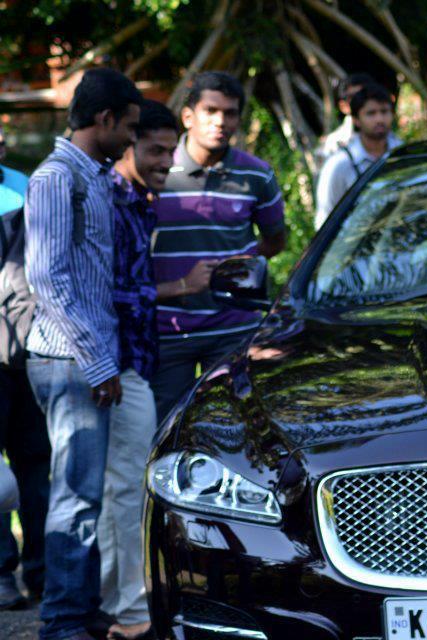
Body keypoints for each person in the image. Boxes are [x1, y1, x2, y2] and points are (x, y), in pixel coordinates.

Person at [24, 68, 141, 640]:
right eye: (130, 128)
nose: (132, 141)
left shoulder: (93, 176)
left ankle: (81, 608)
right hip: (68, 360)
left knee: (90, 492)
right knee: (74, 492)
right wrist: (98, 362)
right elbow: (46, 278)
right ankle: (63, 621)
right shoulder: (54, 178)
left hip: (90, 359)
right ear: (105, 119)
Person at [100, 100, 205, 640]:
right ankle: (128, 609)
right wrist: (181, 288)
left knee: (123, 482)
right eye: (155, 150)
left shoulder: (142, 199)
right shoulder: (110, 201)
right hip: (111, 365)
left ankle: (119, 600)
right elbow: (106, 291)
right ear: (126, 145)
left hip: (136, 359)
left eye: (171, 150)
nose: (168, 160)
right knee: (125, 485)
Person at [151, 71, 286, 422]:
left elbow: (276, 239)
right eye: (210, 110)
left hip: (233, 330)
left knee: (233, 426)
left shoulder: (257, 174)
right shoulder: (157, 169)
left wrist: (245, 260)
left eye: (230, 113)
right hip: (169, 329)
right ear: (188, 116)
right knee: (165, 429)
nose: (220, 121)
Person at [0, 122, 50, 611]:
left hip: (28, 352)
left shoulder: (25, 186)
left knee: (36, 468)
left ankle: (41, 570)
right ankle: (3, 574)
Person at [314, 83, 402, 229]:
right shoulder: (339, 165)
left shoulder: (402, 155)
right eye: (371, 113)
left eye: (384, 111)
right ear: (356, 120)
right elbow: (325, 220)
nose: (379, 119)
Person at [319, 72, 375, 160]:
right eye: (353, 97)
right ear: (343, 106)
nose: (362, 101)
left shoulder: (390, 137)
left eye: (365, 94)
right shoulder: (333, 144)